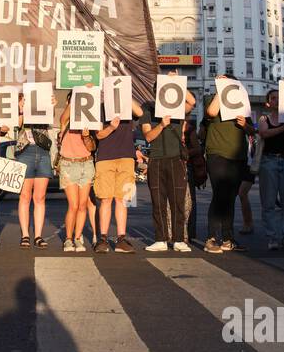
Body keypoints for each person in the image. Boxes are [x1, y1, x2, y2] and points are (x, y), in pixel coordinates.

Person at [143, 87, 197, 252]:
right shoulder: (148, 110)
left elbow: (192, 102)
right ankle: (160, 239)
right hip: (156, 160)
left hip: (176, 159)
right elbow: (148, 136)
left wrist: (177, 84)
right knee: (158, 202)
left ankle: (179, 239)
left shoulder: (178, 109)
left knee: (177, 201)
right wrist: (161, 125)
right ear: (156, 92)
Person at [201, 79, 252, 253]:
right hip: (217, 154)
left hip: (238, 156)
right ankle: (211, 238)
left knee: (230, 197)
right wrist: (221, 89)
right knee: (219, 195)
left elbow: (253, 131)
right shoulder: (212, 98)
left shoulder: (242, 104)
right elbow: (211, 112)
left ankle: (228, 238)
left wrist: (245, 125)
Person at [93, 97, 144, 253]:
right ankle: (103, 238)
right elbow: (98, 135)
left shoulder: (127, 105)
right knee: (105, 199)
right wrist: (111, 128)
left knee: (123, 199)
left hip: (126, 157)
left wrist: (126, 94)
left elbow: (140, 112)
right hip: (105, 157)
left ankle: (121, 238)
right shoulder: (100, 107)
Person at [257, 87, 284, 250]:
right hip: (269, 161)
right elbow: (264, 133)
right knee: (268, 202)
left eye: (279, 98)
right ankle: (272, 237)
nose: (277, 100)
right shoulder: (264, 119)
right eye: (273, 98)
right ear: (268, 103)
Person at [14, 96, 54, 249]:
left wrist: (51, 105)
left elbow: (50, 122)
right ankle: (25, 235)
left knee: (40, 197)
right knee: (25, 196)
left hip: (43, 151)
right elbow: (17, 126)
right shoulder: (20, 108)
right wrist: (21, 110)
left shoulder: (42, 105)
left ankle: (38, 235)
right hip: (25, 151)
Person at [56, 98, 95, 252]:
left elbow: (91, 147)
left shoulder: (88, 121)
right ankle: (68, 239)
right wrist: (79, 96)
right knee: (73, 205)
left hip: (86, 163)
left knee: (82, 205)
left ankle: (78, 238)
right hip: (68, 164)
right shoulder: (65, 122)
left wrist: (86, 136)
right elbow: (63, 118)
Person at [237, 132, 259, 235]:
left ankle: (248, 223)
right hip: (238, 160)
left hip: (250, 162)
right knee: (240, 194)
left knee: (242, 193)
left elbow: (256, 132)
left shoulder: (249, 119)